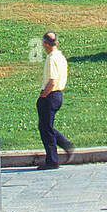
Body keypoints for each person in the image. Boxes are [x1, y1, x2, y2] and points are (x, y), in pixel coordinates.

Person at [36, 31, 74, 169]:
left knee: (46, 128)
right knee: (46, 126)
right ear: (56, 43)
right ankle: (65, 145)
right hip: (58, 95)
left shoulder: (51, 58)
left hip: (50, 95)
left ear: (45, 44)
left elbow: (52, 81)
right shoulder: (61, 57)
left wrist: (43, 96)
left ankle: (52, 160)